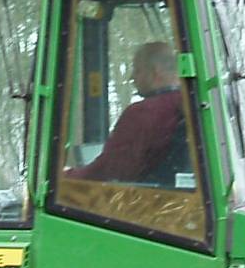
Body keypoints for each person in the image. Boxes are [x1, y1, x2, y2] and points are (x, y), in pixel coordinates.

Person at [66, 40, 187, 184]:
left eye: (137, 70)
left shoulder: (142, 113)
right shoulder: (189, 106)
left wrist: (65, 176)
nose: (132, 78)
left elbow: (108, 172)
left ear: (156, 71)